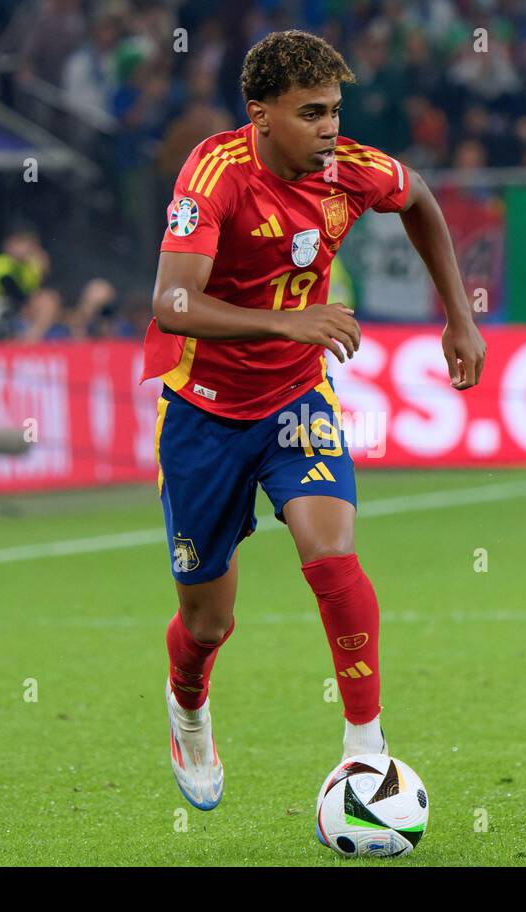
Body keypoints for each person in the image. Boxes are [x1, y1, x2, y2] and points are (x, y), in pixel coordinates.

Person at [141, 29, 486, 815]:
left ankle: (366, 745)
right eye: (311, 113)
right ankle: (188, 703)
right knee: (207, 619)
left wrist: (458, 319)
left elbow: (421, 197)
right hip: (205, 415)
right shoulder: (215, 174)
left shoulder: (351, 173)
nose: (330, 128)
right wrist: (285, 323)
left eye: (334, 109)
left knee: (332, 555)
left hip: (298, 402)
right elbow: (173, 303)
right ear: (260, 115)